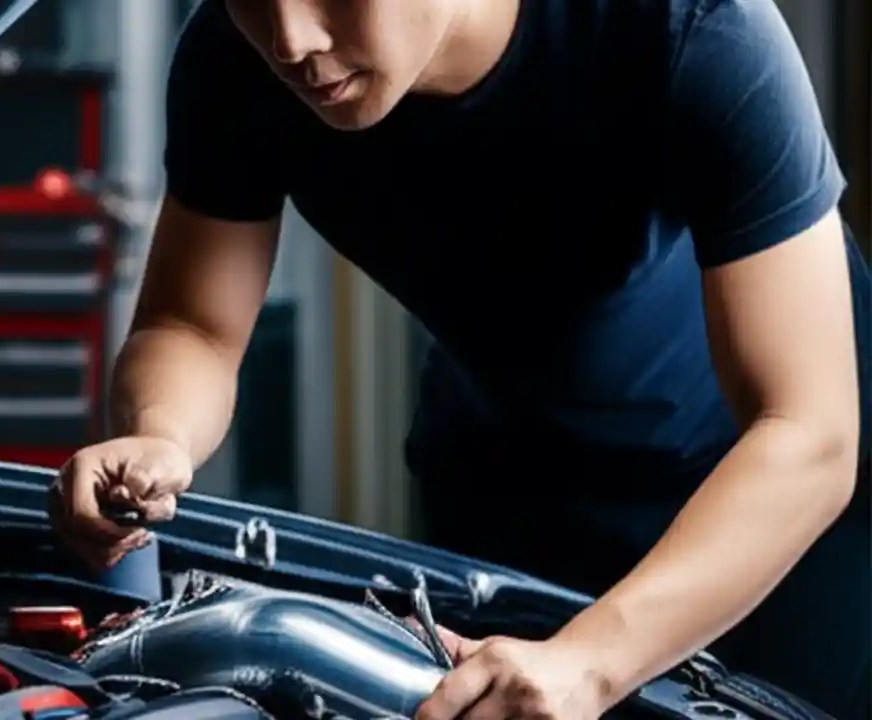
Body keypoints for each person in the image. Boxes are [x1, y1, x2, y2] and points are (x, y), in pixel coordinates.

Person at [46, 0, 870, 717]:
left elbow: (806, 430)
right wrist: (163, 439)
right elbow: (193, 324)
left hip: (770, 497)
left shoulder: (693, 28)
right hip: (515, 469)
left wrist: (596, 660)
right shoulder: (233, 59)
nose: (291, 38)